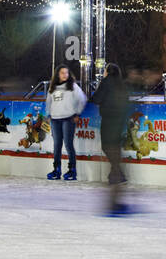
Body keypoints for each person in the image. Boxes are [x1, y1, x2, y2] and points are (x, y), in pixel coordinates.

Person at [91, 63, 132, 214]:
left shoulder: (106, 82)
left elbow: (96, 99)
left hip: (109, 120)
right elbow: (126, 102)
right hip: (120, 121)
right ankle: (116, 173)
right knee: (114, 146)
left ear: (107, 72)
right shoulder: (122, 84)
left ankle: (118, 173)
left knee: (107, 146)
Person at [46, 65, 86, 181]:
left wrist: (77, 113)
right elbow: (48, 101)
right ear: (58, 74)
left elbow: (82, 99)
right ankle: (56, 169)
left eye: (66, 73)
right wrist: (49, 114)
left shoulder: (73, 86)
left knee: (68, 145)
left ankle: (72, 170)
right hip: (55, 119)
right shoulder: (52, 87)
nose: (65, 75)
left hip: (68, 118)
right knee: (57, 145)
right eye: (62, 73)